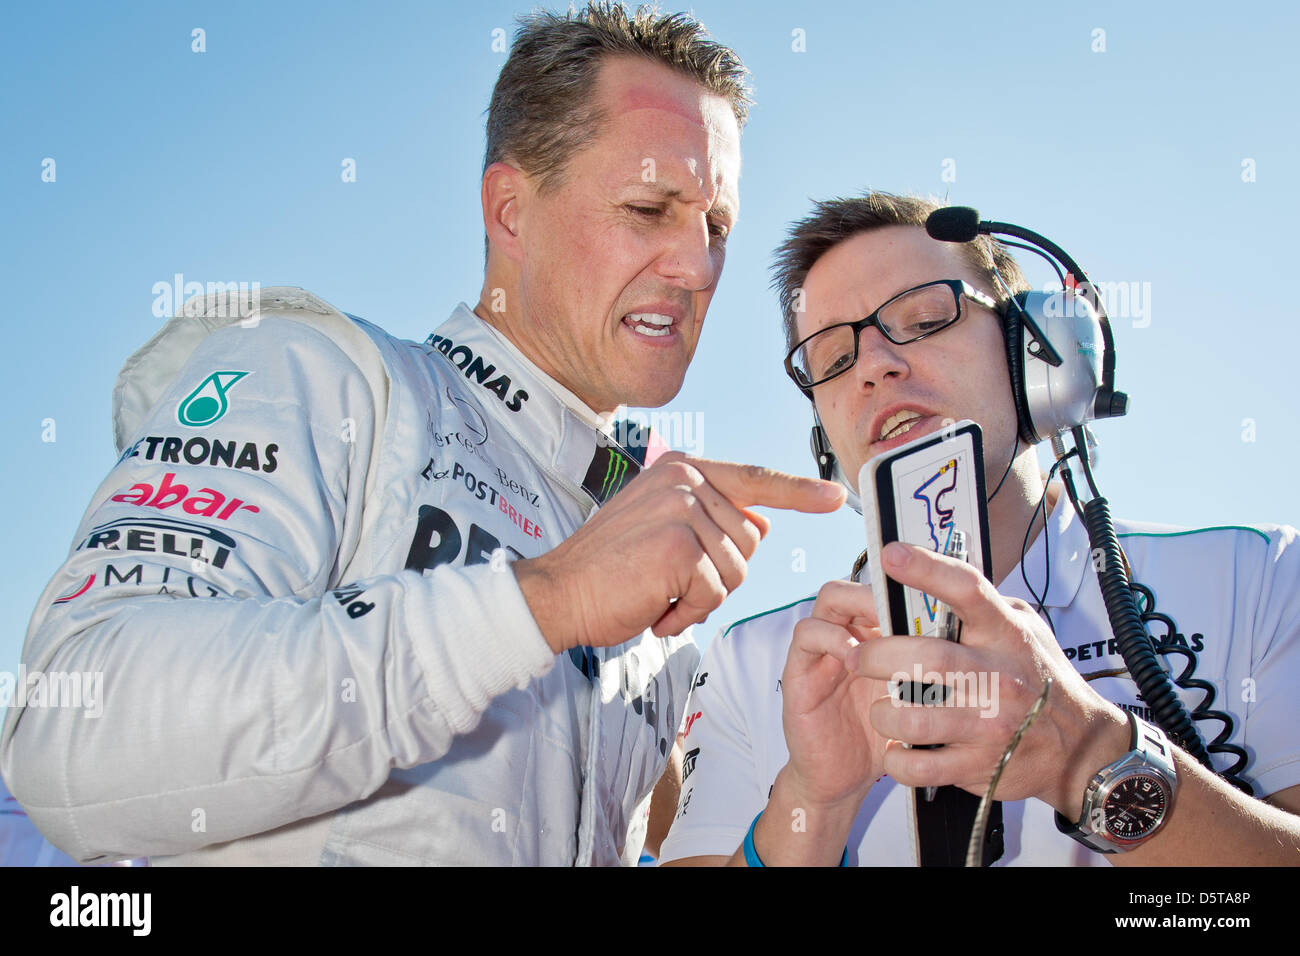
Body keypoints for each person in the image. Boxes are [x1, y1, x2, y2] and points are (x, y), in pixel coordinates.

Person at [0, 3, 843, 867]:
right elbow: (69, 740)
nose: (697, 267)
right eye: (647, 208)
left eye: (716, 228)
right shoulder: (320, 376)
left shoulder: (658, 560)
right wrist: (544, 601)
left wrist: (811, 800)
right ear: (510, 211)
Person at [658, 191, 1300, 866]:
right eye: (834, 359)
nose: (876, 364)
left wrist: (1082, 752)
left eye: (926, 318)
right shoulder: (751, 660)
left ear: (1038, 359)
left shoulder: (1258, 579)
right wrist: (812, 801)